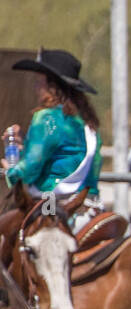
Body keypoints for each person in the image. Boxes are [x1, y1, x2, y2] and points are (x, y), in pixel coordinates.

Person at [2, 48, 103, 213]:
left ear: (52, 86)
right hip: (91, 206)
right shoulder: (87, 120)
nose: (36, 87)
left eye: (39, 82)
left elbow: (29, 171)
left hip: (54, 207)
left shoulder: (47, 118)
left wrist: (11, 170)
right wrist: (25, 147)